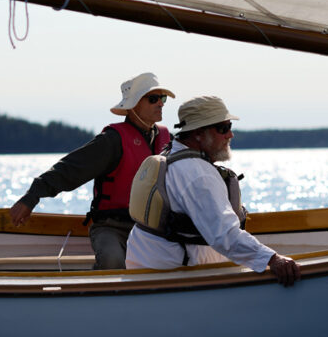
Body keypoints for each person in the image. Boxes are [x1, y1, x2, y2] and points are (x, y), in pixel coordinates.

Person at [125, 95, 300, 286]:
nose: (230, 135)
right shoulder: (198, 174)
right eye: (222, 128)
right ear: (198, 133)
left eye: (229, 127)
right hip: (172, 278)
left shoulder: (171, 154)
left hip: (145, 269)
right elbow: (224, 234)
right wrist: (272, 259)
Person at [8, 72, 174, 269]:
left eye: (162, 98)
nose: (161, 104)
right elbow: (70, 169)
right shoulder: (111, 141)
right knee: (113, 261)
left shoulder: (167, 140)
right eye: (153, 99)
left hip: (152, 230)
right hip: (112, 227)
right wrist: (32, 196)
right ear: (133, 106)